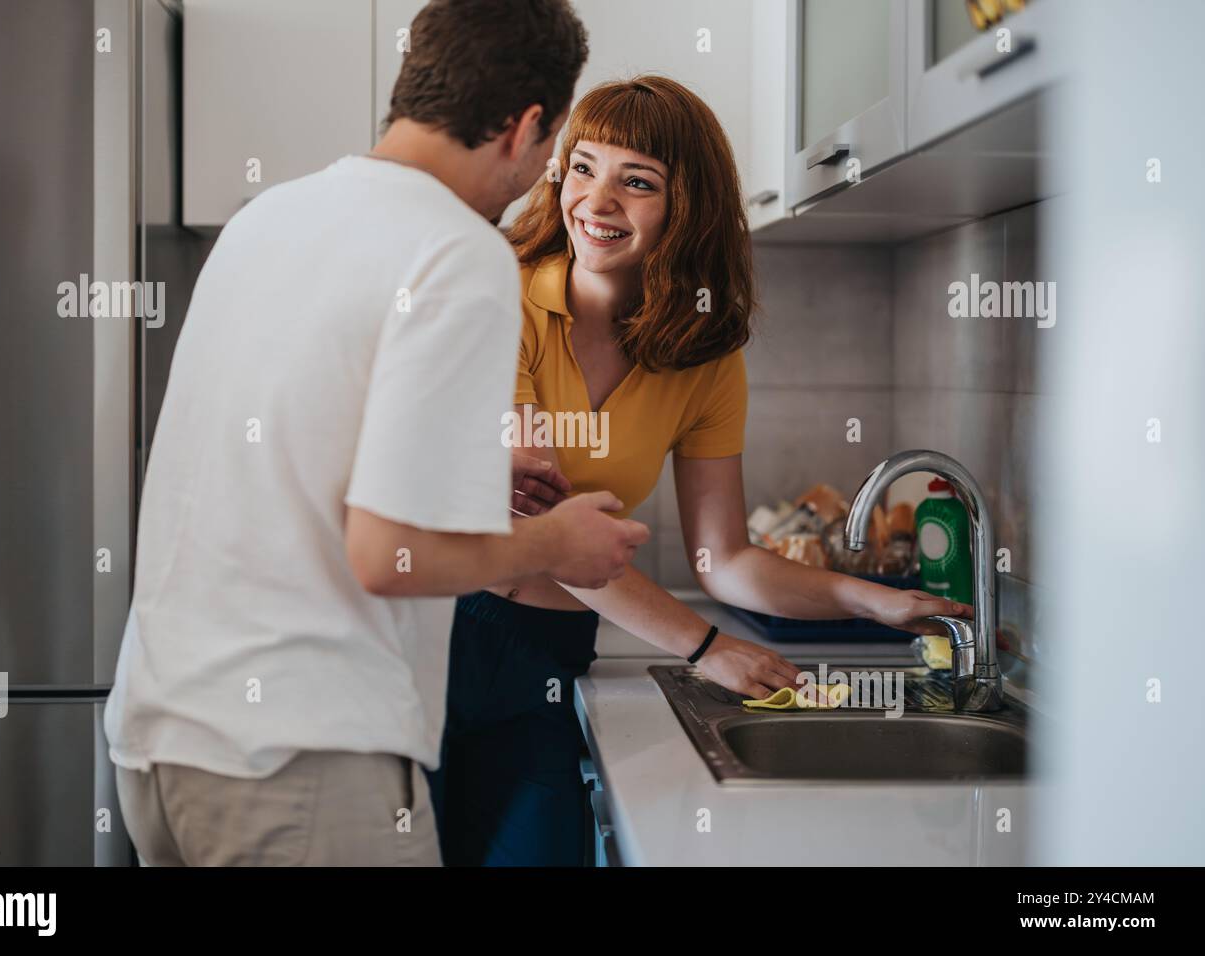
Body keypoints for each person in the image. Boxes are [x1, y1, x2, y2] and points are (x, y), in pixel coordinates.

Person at [104, 0, 649, 867]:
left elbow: (287, 446)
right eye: (554, 150)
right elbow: (384, 554)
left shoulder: (265, 218)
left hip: (159, 746)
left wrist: (466, 462)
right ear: (527, 125)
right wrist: (554, 541)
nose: (547, 174)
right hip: (300, 760)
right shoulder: (458, 251)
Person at [428, 75, 973, 867]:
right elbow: (541, 532)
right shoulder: (498, 297)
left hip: (549, 653)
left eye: (637, 182)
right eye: (583, 167)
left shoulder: (704, 358)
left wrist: (872, 600)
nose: (598, 200)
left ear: (689, 207)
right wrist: (704, 645)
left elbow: (723, 558)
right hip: (434, 637)